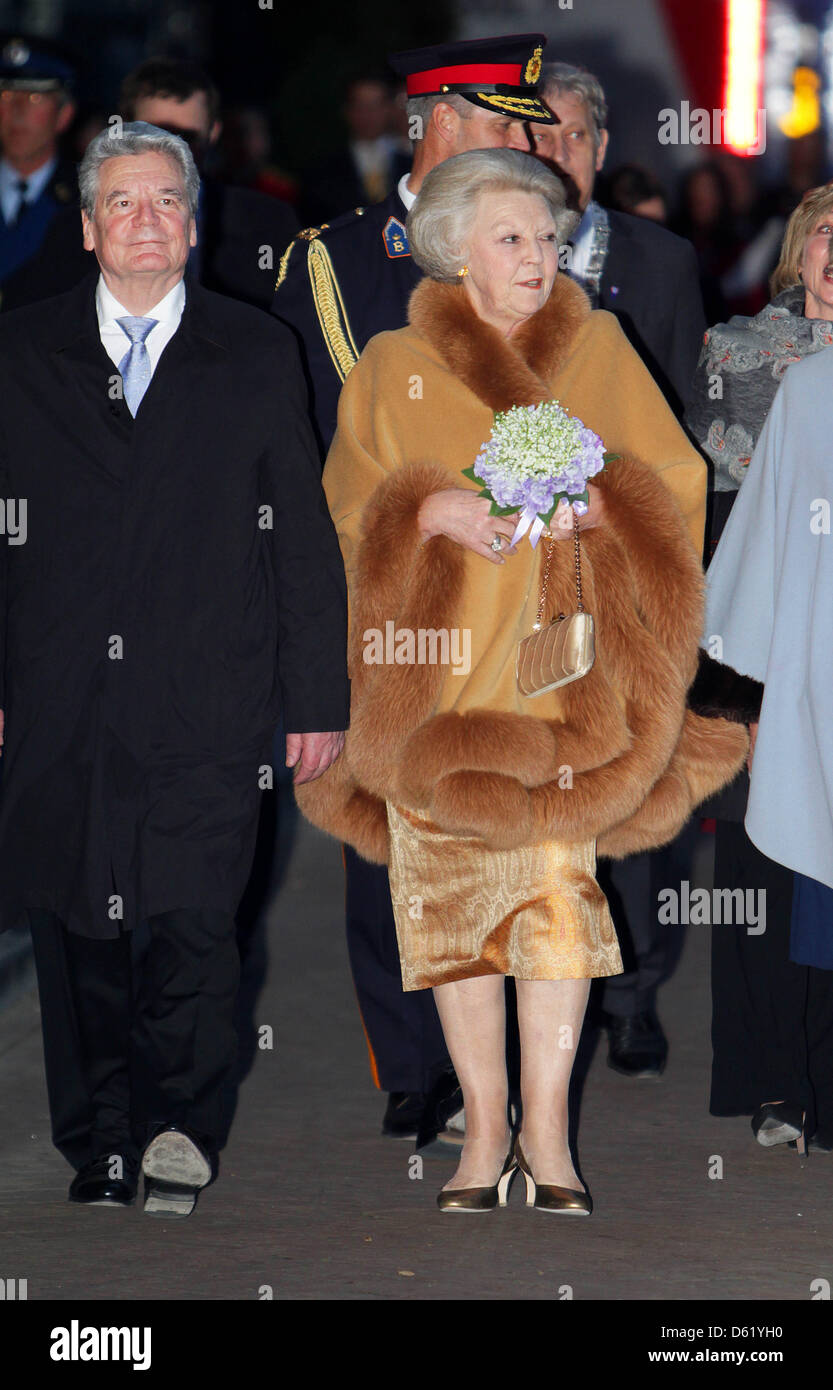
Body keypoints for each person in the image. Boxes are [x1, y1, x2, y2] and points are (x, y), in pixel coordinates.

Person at [297, 148, 747, 1212]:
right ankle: (480, 1131)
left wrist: (607, 503)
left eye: (547, 238)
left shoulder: (595, 348)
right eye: (511, 238)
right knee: (453, 911)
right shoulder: (392, 364)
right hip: (436, 683)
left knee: (554, 905)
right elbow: (341, 507)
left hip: (561, 679)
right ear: (458, 250)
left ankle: (547, 1136)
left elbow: (675, 478)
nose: (538, 256)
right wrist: (428, 510)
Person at [0, 121, 349, 1215]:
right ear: (92, 226)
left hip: (212, 691)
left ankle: (176, 1127)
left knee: (195, 917)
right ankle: (99, 1140)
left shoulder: (253, 351)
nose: (143, 219)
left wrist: (314, 698)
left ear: (192, 226)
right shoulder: (22, 351)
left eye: (164, 201)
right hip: (64, 694)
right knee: (80, 923)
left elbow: (300, 535)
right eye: (121, 202)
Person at [274, 33, 556, 1146]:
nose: (524, 145)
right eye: (501, 124)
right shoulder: (340, 258)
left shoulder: (539, 248)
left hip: (521, 587)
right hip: (395, 587)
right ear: (432, 127)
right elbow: (359, 423)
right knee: (391, 813)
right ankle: (417, 1064)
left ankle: (504, 1074)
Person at [529, 60, 708, 1082]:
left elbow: (684, 418)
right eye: (536, 137)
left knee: (639, 784)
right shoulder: (489, 256)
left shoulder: (661, 260)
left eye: (570, 136)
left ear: (600, 147)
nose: (553, 154)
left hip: (630, 568)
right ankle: (555, 977)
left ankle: (632, 994)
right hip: (521, 575)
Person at [688, 195, 833, 1152]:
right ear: (798, 251)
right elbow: (718, 483)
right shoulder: (746, 353)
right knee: (766, 864)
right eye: (828, 235)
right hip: (767, 629)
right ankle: (775, 1077)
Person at [2, 57, 299, 312]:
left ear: (213, 133)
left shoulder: (267, 223)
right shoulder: (75, 226)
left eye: (188, 138)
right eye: (157, 137)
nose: (175, 153)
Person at [0, 35, 79, 300]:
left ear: (63, 114)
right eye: (7, 95)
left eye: (35, 97)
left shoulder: (87, 199)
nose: (18, 111)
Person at [301, 74, 411, 224]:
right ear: (347, 110)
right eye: (360, 106)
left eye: (376, 105)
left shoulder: (411, 161)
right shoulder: (323, 169)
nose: (369, 115)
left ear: (390, 109)